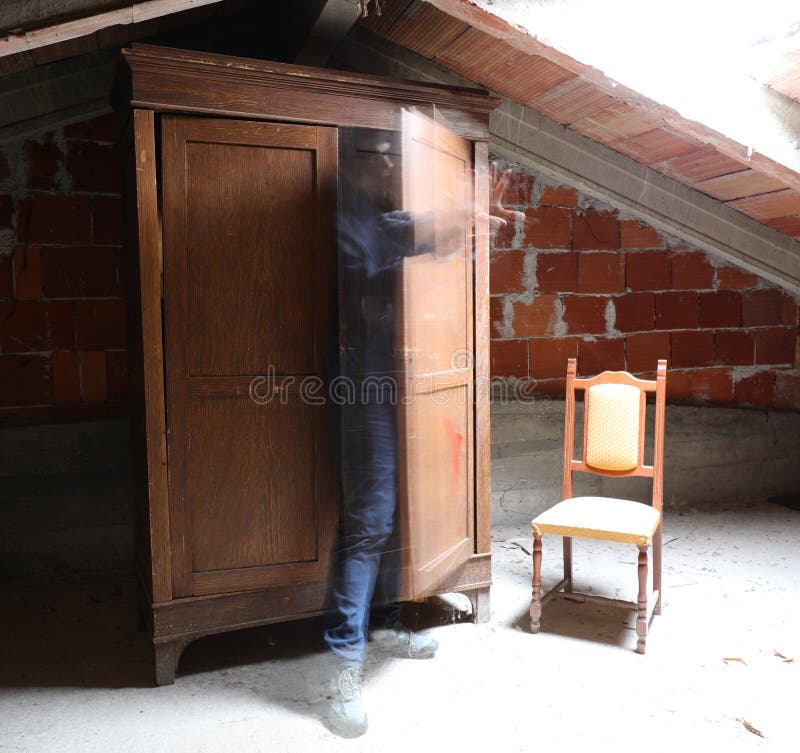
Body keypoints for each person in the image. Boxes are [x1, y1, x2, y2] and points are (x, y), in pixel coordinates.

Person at [324, 143, 519, 737]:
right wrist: (452, 217)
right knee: (369, 518)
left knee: (405, 512)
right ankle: (341, 671)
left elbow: (426, 238)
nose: (392, 167)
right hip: (365, 386)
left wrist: (468, 222)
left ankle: (382, 622)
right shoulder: (345, 214)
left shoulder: (382, 212)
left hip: (410, 377)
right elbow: (377, 249)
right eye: (380, 156)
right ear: (354, 161)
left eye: (393, 156)